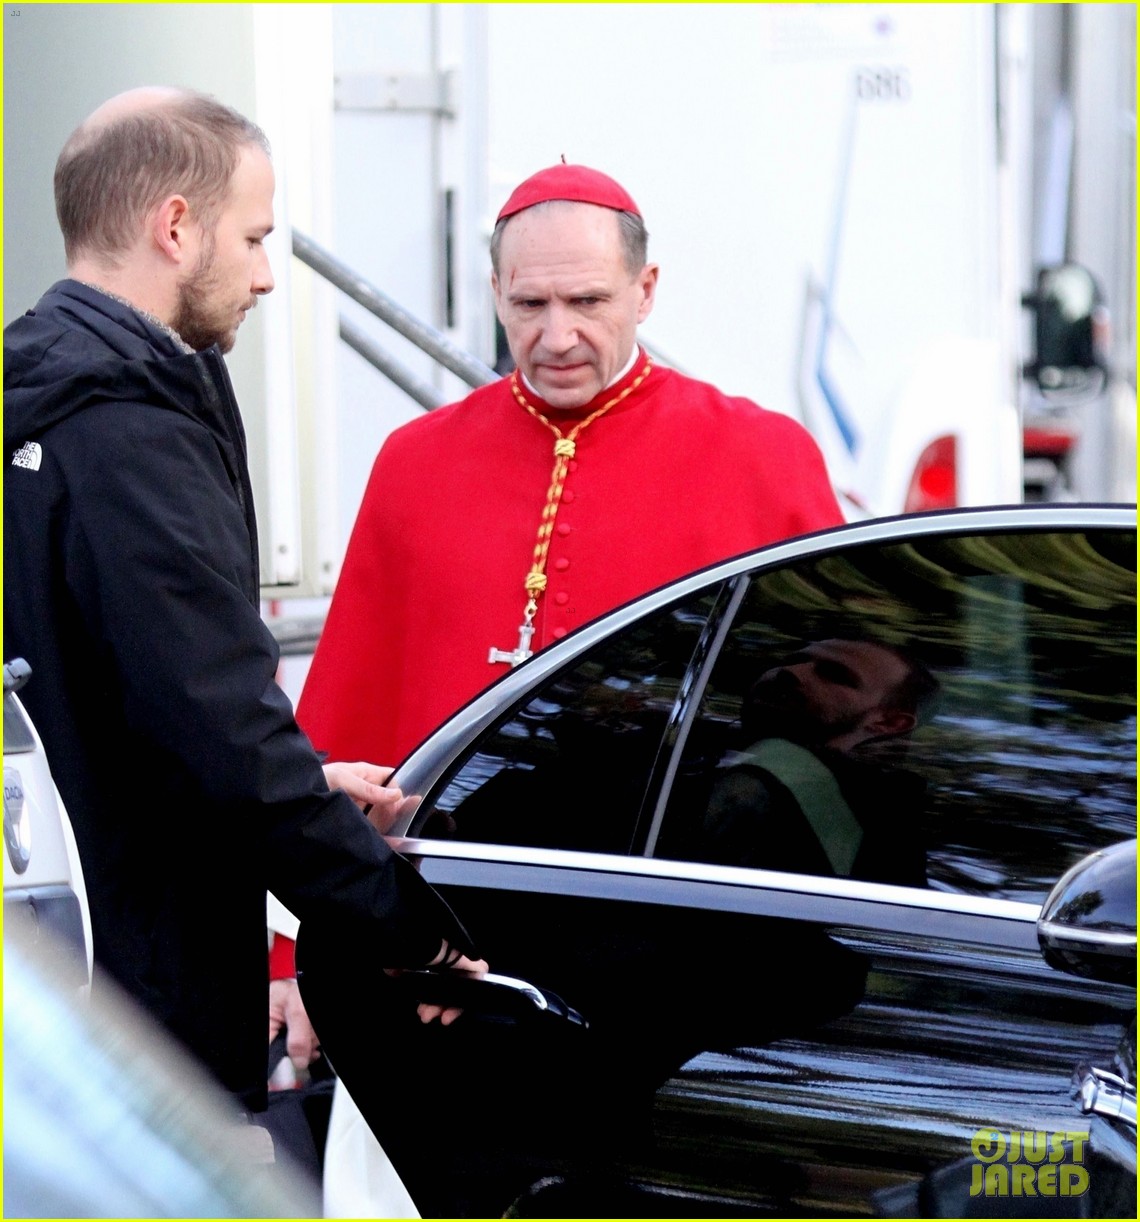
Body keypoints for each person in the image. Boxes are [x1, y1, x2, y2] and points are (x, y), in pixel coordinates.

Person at [2, 87, 486, 1132]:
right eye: (256, 237)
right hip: (141, 1025)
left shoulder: (38, 402)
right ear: (175, 227)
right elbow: (221, 730)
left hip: (58, 990)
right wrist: (411, 930)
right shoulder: (128, 434)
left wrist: (306, 783)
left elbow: (117, 705)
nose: (267, 274)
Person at [297, 161, 845, 771]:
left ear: (645, 291)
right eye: (531, 304)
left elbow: (835, 693)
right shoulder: (415, 460)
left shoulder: (763, 454)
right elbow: (350, 709)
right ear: (496, 294)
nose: (558, 338)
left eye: (587, 301)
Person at [692, 638, 939, 885]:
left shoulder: (879, 833)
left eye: (835, 675)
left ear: (888, 722)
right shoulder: (710, 752)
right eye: (793, 661)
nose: (790, 671)